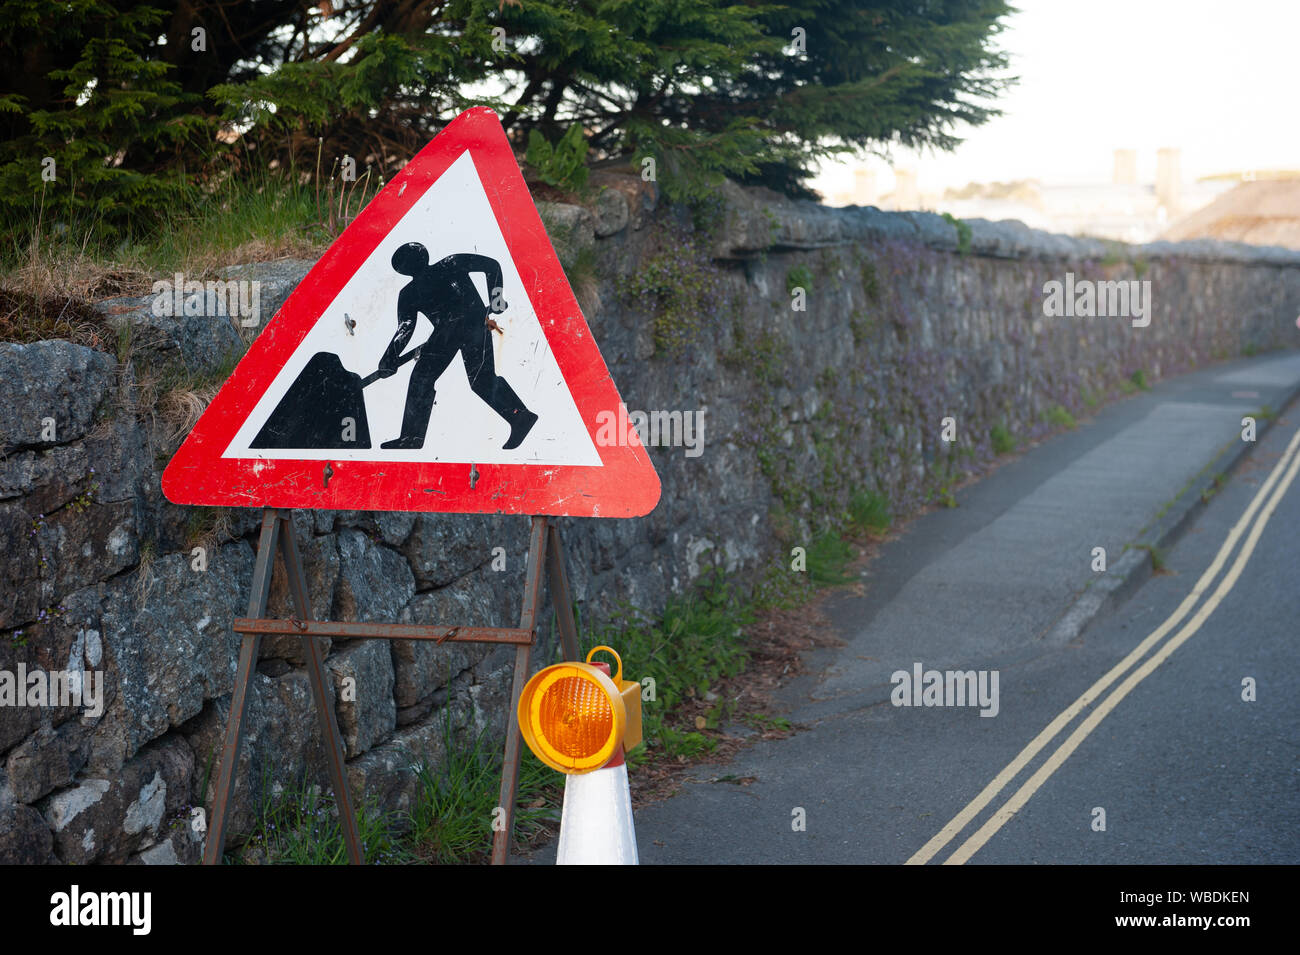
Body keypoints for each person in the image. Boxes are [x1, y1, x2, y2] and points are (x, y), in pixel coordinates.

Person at [377, 242, 538, 450]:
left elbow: (492, 265)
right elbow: (405, 327)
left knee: (476, 379)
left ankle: (520, 417)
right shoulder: (411, 291)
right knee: (426, 378)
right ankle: (411, 438)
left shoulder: (450, 264)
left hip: (471, 324)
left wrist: (496, 298)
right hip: (448, 334)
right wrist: (390, 357)